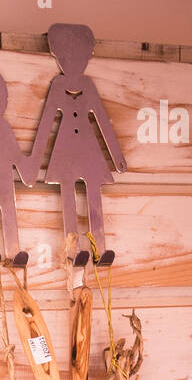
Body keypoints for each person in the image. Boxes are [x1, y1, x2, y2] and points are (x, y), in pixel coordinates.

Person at [28, 23, 126, 265]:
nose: (74, 62)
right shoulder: (58, 86)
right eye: (67, 56)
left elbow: (102, 120)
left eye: (81, 56)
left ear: (88, 56)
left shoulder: (89, 86)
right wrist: (33, 163)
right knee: (69, 197)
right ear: (58, 56)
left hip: (89, 150)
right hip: (65, 151)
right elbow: (46, 123)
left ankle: (99, 249)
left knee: (94, 196)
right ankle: (73, 248)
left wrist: (117, 158)